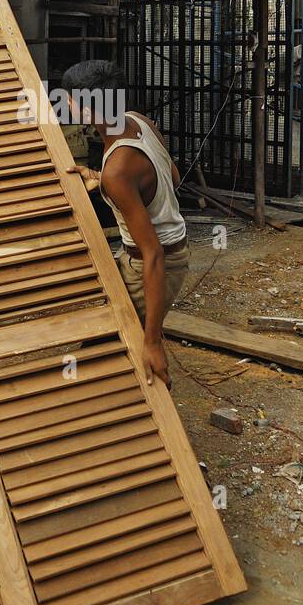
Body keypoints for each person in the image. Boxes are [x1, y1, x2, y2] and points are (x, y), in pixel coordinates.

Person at [61, 60, 189, 389]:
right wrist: (105, 180)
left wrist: (153, 343)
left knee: (129, 350)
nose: (67, 105)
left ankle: (157, 416)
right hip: (169, 253)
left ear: (88, 110)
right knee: (109, 337)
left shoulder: (119, 168)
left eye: (71, 100)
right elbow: (170, 176)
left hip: (154, 262)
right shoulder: (137, 121)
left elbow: (153, 254)